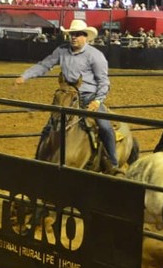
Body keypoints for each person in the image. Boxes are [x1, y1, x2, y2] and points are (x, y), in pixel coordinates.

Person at [14, 19, 117, 169]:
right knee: (50, 126)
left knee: (104, 126)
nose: (74, 37)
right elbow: (45, 64)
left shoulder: (95, 55)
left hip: (89, 96)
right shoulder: (62, 50)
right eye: (72, 34)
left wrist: (98, 101)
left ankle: (112, 162)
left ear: (86, 37)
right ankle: (39, 158)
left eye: (78, 34)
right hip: (67, 95)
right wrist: (26, 75)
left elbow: (104, 81)